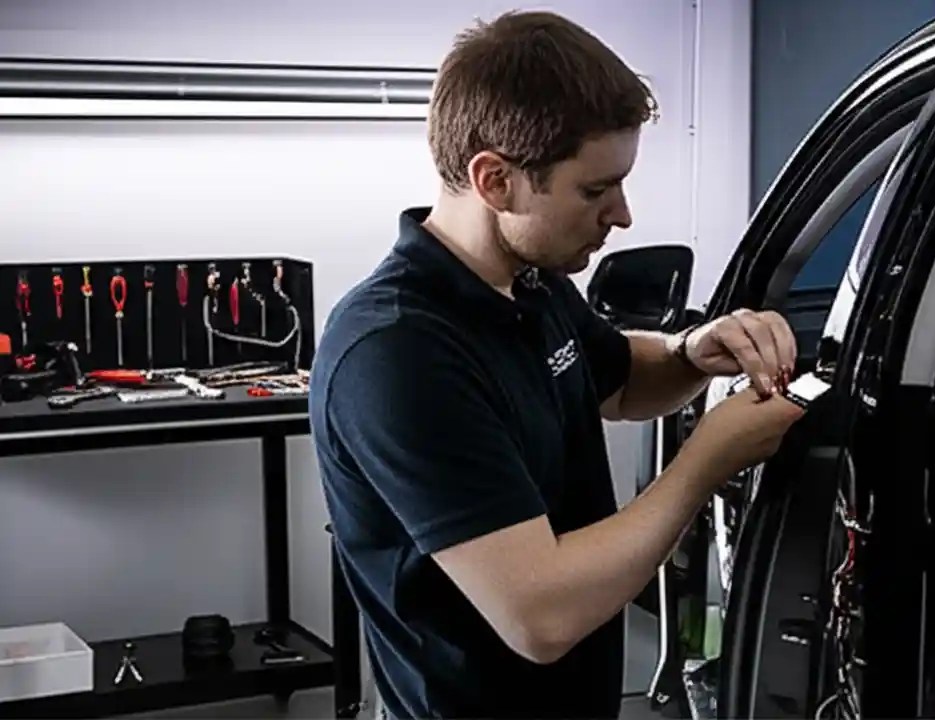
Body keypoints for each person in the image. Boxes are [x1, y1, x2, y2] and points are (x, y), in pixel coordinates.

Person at [309, 10, 806, 719]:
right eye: (595, 190)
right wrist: (707, 459)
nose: (624, 215)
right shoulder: (397, 354)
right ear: (495, 180)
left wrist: (695, 352)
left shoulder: (530, 282)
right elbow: (539, 615)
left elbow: (623, 379)